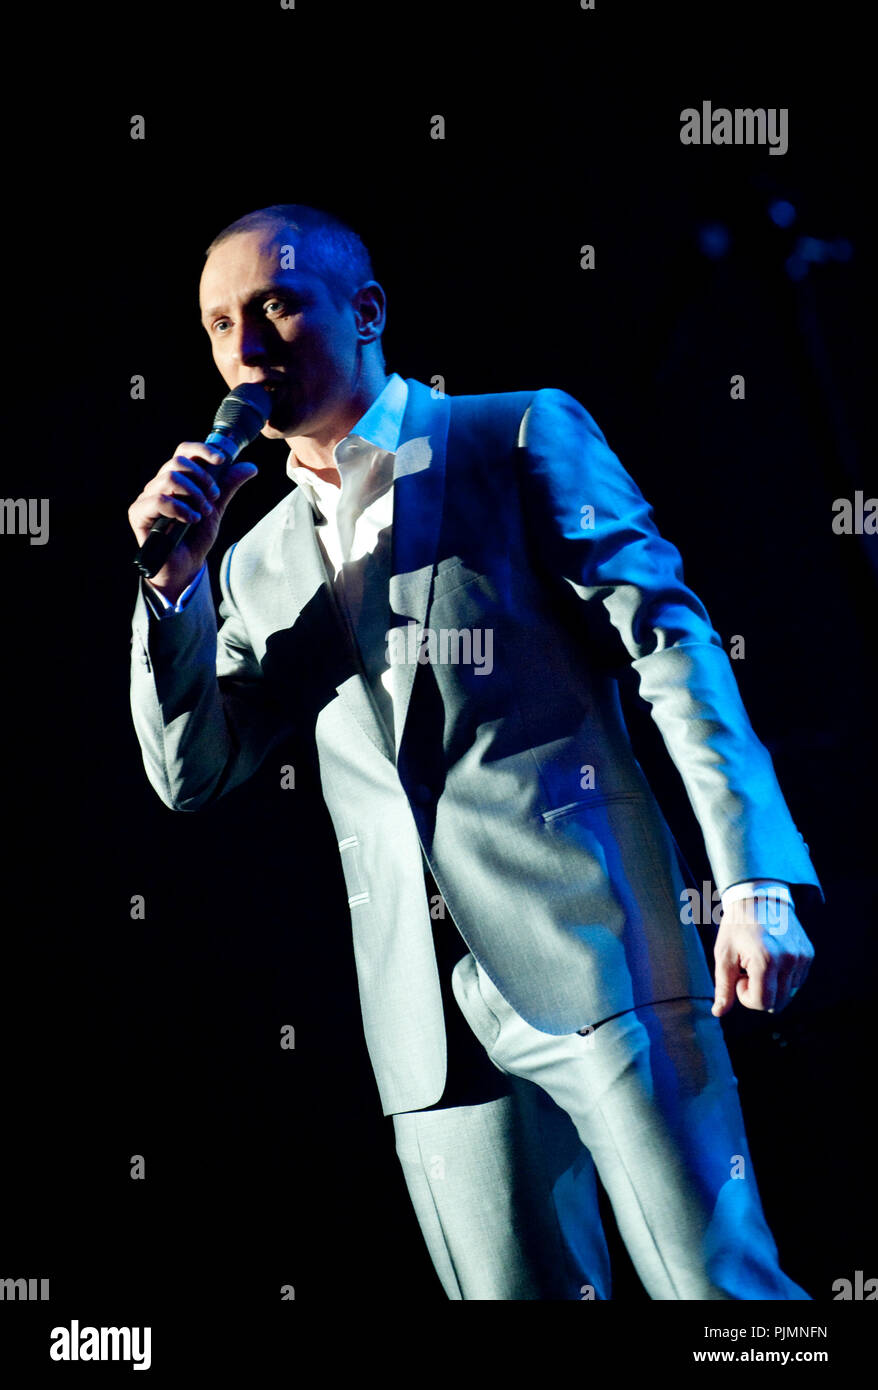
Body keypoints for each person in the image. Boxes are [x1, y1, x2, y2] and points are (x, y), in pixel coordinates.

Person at [128, 203, 822, 1300]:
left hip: (602, 952)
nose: (247, 351)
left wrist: (750, 878)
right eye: (220, 326)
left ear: (365, 312)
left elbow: (673, 651)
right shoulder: (252, 564)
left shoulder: (512, 435)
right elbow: (191, 771)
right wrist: (171, 590)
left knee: (721, 1296)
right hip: (423, 1018)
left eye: (274, 306)